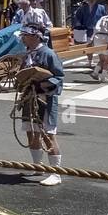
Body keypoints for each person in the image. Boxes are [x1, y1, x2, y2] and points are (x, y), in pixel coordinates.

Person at [17, 24, 64, 187]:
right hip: (29, 97)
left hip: (45, 99)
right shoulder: (27, 54)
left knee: (47, 135)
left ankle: (56, 173)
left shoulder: (48, 53)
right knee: (31, 132)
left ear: (36, 37)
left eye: (26, 35)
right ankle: (38, 167)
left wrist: (42, 85)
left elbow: (59, 77)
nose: (23, 38)